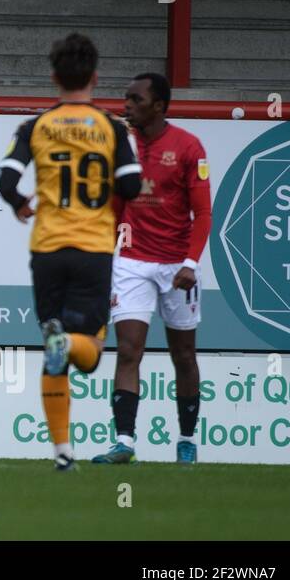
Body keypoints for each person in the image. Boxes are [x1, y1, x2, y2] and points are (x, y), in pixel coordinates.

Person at [0, 33, 141, 471]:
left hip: (47, 250)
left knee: (53, 345)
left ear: (54, 76)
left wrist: (22, 204)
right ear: (95, 77)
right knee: (91, 351)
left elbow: (5, 180)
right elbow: (132, 185)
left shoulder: (35, 126)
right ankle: (68, 344)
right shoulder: (113, 128)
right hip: (93, 249)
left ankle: (62, 452)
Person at [93, 72, 211, 464]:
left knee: (184, 355)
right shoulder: (121, 149)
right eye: (126, 98)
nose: (127, 105)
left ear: (159, 106)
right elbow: (113, 209)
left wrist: (191, 263)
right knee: (128, 350)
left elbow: (203, 213)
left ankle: (186, 439)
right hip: (132, 262)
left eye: (135, 99)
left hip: (178, 265)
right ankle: (124, 441)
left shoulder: (188, 147)